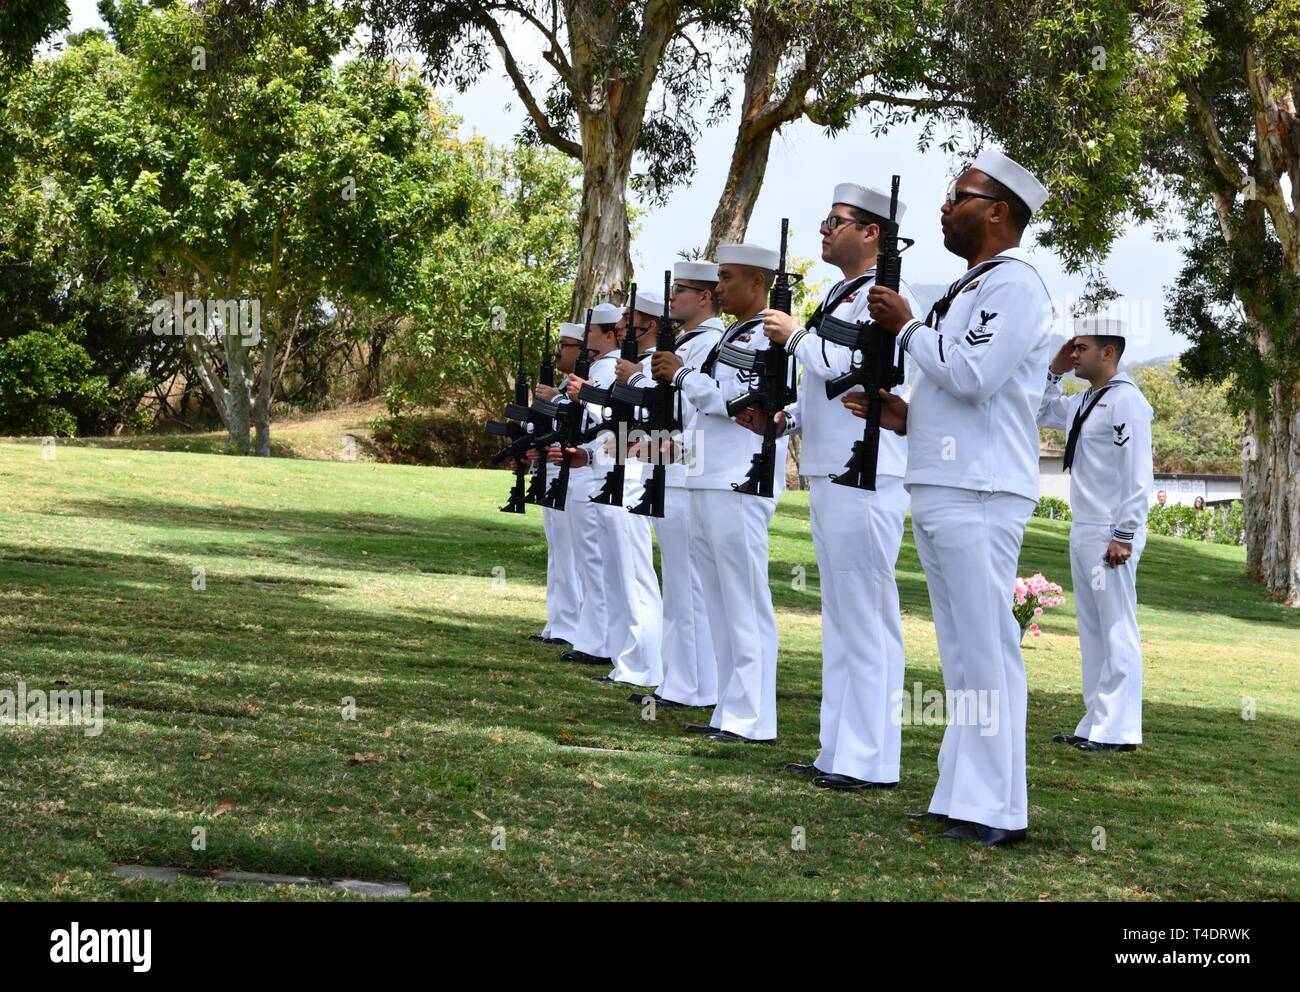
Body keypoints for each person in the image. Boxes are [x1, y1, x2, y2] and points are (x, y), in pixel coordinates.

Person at [850, 149, 1054, 846]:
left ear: (997, 210)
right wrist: (906, 415)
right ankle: (961, 793)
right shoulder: (972, 287)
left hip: (981, 488)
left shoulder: (1016, 285)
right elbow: (955, 390)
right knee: (962, 652)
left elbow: (971, 373)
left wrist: (905, 327)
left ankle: (998, 808)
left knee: (987, 648)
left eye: (959, 196)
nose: (945, 206)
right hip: (945, 480)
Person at [759, 183, 916, 790]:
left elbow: (860, 367)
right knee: (842, 618)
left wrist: (795, 338)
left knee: (868, 615)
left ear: (872, 231)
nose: (824, 230)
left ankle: (871, 758)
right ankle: (839, 749)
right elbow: (822, 386)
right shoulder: (841, 292)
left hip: (868, 465)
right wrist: (790, 417)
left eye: (836, 220)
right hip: (832, 464)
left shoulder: (888, 295)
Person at [651, 244, 789, 743]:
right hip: (709, 474)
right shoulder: (732, 332)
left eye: (728, 278)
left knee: (745, 601)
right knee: (721, 603)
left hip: (741, 477)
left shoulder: (773, 333)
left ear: (758, 282)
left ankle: (753, 718)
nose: (721, 286)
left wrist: (684, 375)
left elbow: (739, 401)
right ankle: (730, 710)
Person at [1038, 316, 1154, 754]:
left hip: (1111, 529)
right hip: (1085, 525)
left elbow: (1137, 475)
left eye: (1082, 348)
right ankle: (1095, 722)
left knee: (1117, 627)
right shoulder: (1086, 400)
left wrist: (1124, 533)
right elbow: (1037, 409)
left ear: (1109, 352)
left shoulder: (1126, 402)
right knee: (1092, 629)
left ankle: (1120, 728)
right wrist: (1053, 370)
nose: (1075, 354)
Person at [618, 262, 724, 709]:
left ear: (704, 296)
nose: (672, 297)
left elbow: (691, 405)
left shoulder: (709, 344)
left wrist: (638, 380)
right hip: (673, 469)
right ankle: (679, 681)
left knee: (689, 588)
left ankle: (695, 686)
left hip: (686, 468)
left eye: (681, 290)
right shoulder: (687, 343)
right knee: (680, 587)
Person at [566, 303, 663, 688]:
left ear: (649, 324)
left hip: (636, 468)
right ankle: (627, 659)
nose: (622, 327)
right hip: (617, 466)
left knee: (635, 575)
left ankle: (644, 664)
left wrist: (590, 396)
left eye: (630, 320)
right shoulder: (633, 364)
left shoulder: (654, 365)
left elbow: (645, 419)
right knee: (621, 575)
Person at [556, 305, 622, 669]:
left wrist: (586, 399)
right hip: (589, 462)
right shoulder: (599, 367)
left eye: (590, 332)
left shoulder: (610, 369)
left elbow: (611, 421)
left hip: (600, 466)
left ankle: (599, 641)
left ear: (609, 335)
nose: (585, 339)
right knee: (589, 560)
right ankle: (591, 636)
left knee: (596, 561)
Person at [530, 327, 583, 647]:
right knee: (558, 553)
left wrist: (557, 399)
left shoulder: (573, 386)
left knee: (571, 554)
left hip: (574, 470)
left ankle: (571, 625)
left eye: (565, 345)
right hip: (552, 469)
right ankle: (559, 620)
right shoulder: (564, 385)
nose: (558, 351)